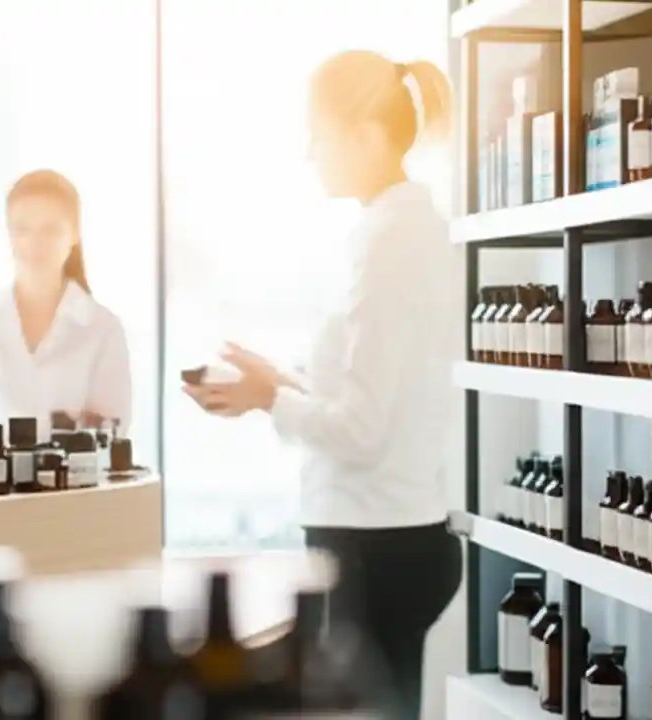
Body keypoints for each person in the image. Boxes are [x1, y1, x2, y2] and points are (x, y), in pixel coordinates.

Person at [184, 51, 462, 718]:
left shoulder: (391, 243)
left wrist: (269, 398)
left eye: (319, 134)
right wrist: (276, 381)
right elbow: (368, 395)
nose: (311, 152)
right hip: (390, 539)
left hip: (375, 550)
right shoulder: (398, 230)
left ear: (365, 135)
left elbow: (360, 432)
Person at [0, 170, 132, 439]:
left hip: (76, 468)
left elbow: (112, 433)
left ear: (74, 234)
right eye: (22, 229)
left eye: (50, 230)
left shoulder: (102, 327)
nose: (35, 243)